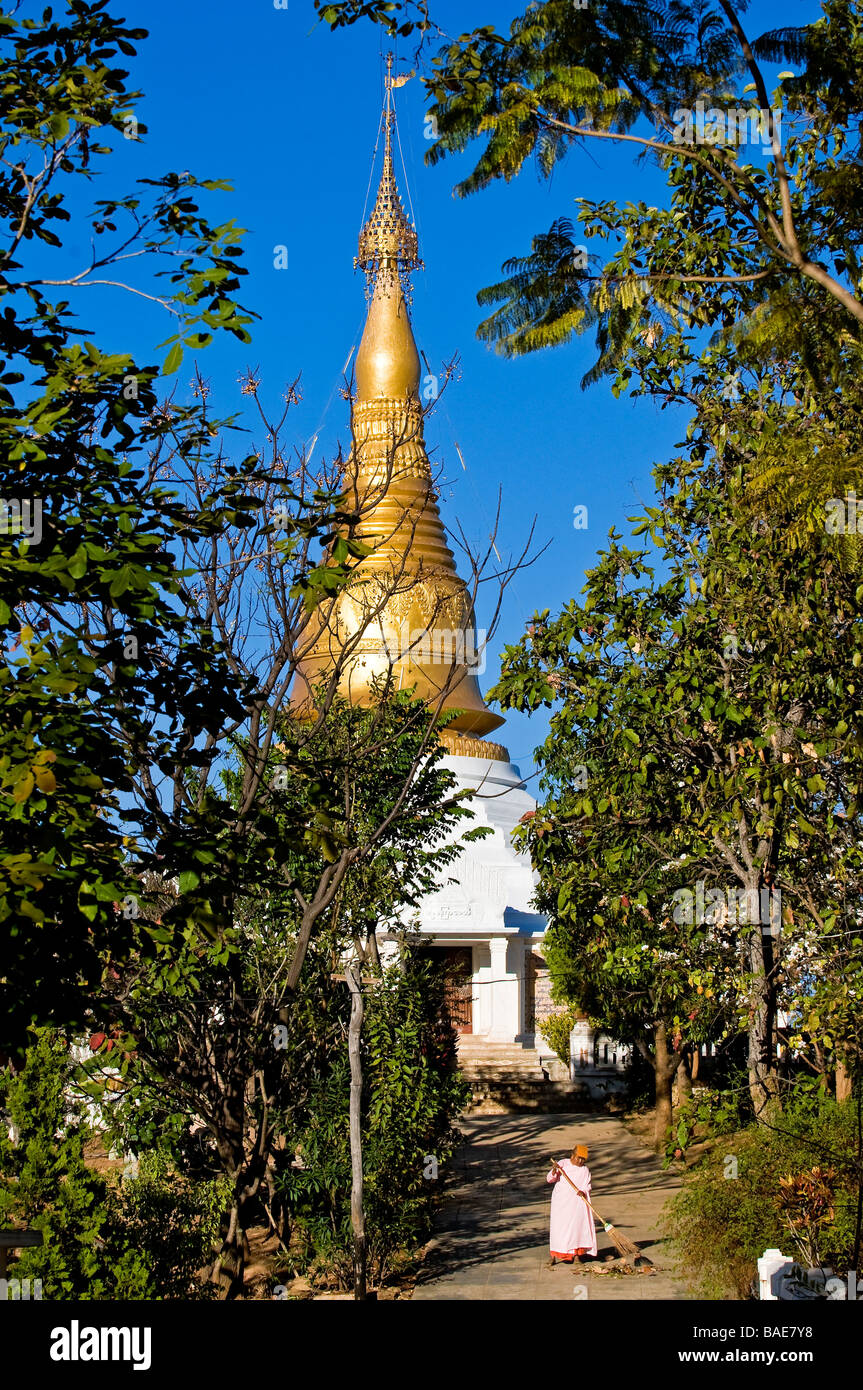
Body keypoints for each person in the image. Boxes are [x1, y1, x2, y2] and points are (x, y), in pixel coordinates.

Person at [546, 1143, 598, 1266]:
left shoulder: (585, 1170)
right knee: (558, 1229)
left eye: (583, 1159)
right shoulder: (562, 1164)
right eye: (578, 1157)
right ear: (572, 1155)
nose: (580, 1161)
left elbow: (587, 1186)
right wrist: (554, 1170)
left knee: (576, 1230)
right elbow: (549, 1179)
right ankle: (554, 1256)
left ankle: (576, 1256)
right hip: (561, 1203)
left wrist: (583, 1192)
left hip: (576, 1205)